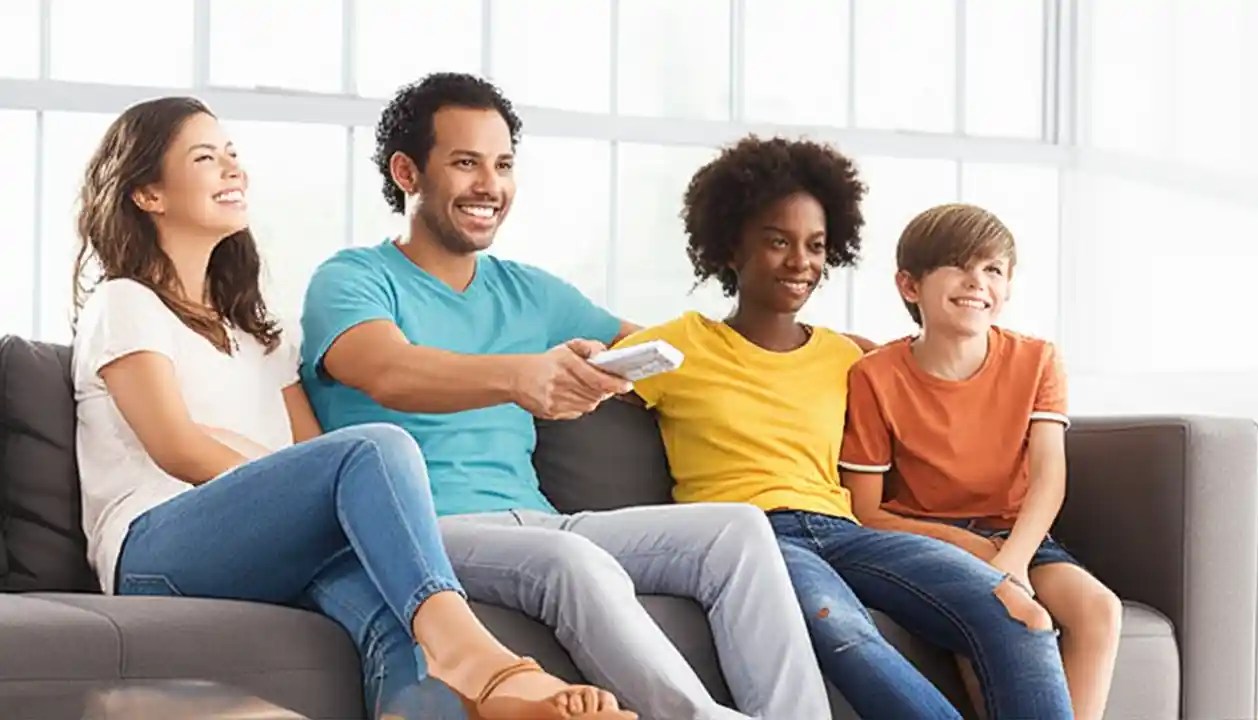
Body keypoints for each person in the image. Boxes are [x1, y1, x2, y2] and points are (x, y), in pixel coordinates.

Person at [70, 96, 634, 720]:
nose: (234, 169)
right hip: (155, 548)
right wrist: (296, 489)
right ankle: (485, 663)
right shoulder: (124, 303)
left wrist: (304, 492)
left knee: (395, 620)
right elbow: (176, 445)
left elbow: (308, 453)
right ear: (148, 194)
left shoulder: (260, 332)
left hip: (264, 545)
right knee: (374, 444)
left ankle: (430, 702)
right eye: (206, 157)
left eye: (233, 154)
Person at [298, 72, 830, 720]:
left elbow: (684, 355)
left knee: (737, 531)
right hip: (423, 532)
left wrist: (844, 350)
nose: (489, 186)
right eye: (465, 163)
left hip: (537, 518)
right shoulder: (353, 278)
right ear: (407, 172)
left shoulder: (533, 293)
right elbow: (387, 370)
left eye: (502, 165)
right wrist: (521, 375)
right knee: (570, 558)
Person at [612, 136, 1075, 719]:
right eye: (778, 241)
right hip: (751, 538)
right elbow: (583, 376)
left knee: (1020, 614)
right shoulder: (681, 342)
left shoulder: (847, 356)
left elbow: (933, 378)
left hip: (846, 529)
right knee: (845, 629)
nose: (800, 261)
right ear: (730, 247)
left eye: (816, 246)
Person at [840, 202, 1123, 720]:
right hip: (926, 542)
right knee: (996, 622)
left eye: (992, 269)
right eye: (958, 265)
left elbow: (1048, 480)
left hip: (1019, 537)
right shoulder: (874, 376)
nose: (977, 281)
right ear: (909, 285)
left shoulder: (1037, 359)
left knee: (1099, 609)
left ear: (1008, 286)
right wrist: (969, 549)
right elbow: (866, 511)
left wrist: (1012, 560)